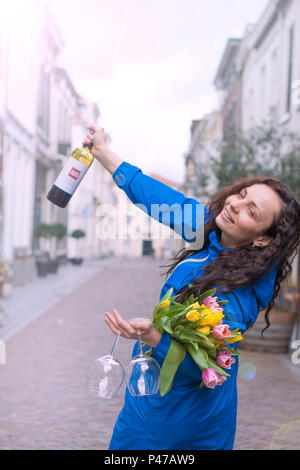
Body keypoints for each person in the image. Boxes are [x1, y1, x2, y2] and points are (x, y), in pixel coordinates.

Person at [83, 125, 300, 450]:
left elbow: (204, 366)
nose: (235, 206)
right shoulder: (213, 232)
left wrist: (153, 336)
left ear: (263, 238)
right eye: (241, 195)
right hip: (153, 400)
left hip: (181, 424)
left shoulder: (235, 292)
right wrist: (102, 152)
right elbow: (159, 198)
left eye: (250, 212)